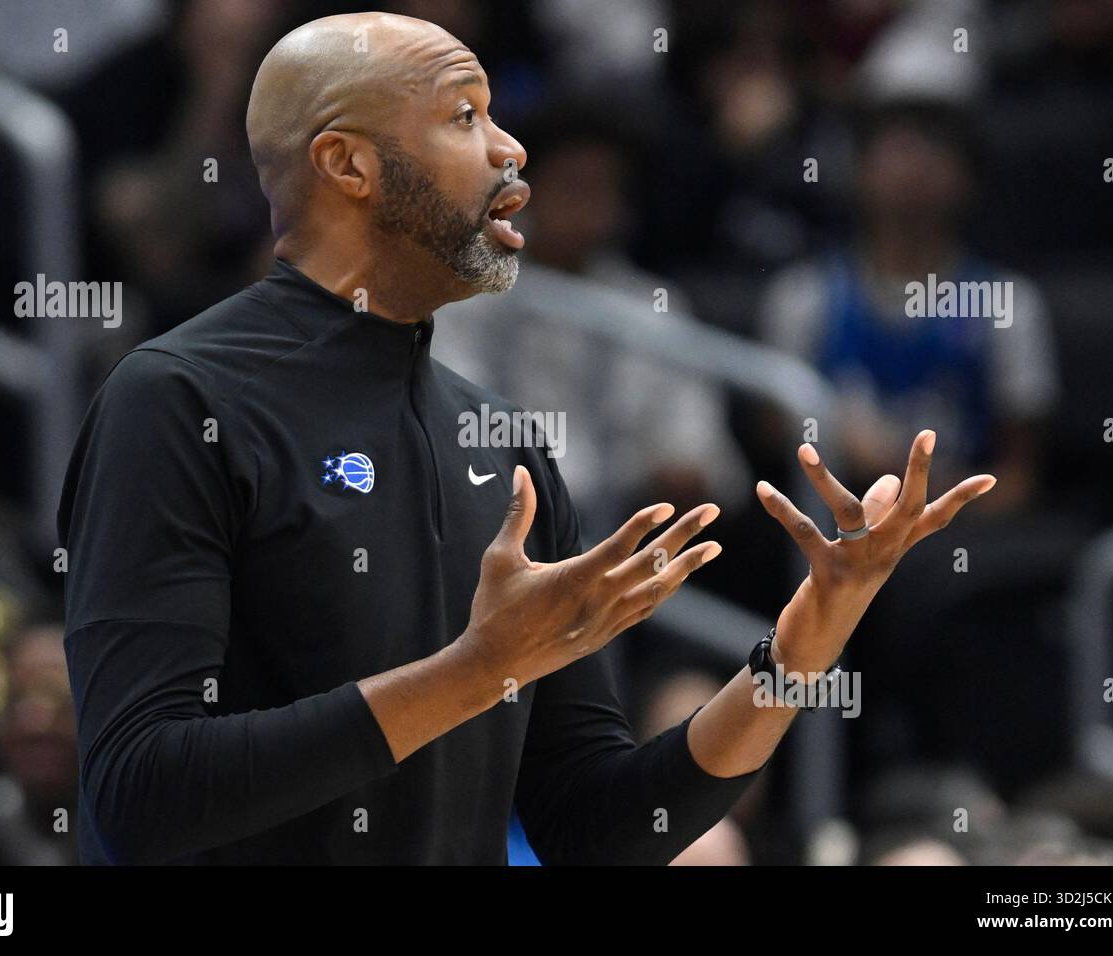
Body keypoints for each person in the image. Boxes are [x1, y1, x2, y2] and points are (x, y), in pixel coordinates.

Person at [59, 12, 996, 865]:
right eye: (464, 118)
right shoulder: (178, 399)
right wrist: (476, 672)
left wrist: (807, 641)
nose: (511, 151)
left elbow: (595, 827)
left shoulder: (501, 442)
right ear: (349, 165)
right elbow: (144, 791)